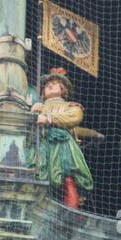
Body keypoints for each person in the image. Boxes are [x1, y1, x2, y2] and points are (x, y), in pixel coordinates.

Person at [30, 68, 94, 210]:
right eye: (47, 85)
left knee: (68, 177)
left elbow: (74, 117)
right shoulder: (39, 107)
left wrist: (48, 119)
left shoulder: (71, 106)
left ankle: (71, 210)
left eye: (55, 83)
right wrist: (32, 113)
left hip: (63, 145)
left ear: (63, 89)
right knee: (40, 176)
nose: (50, 86)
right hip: (42, 144)